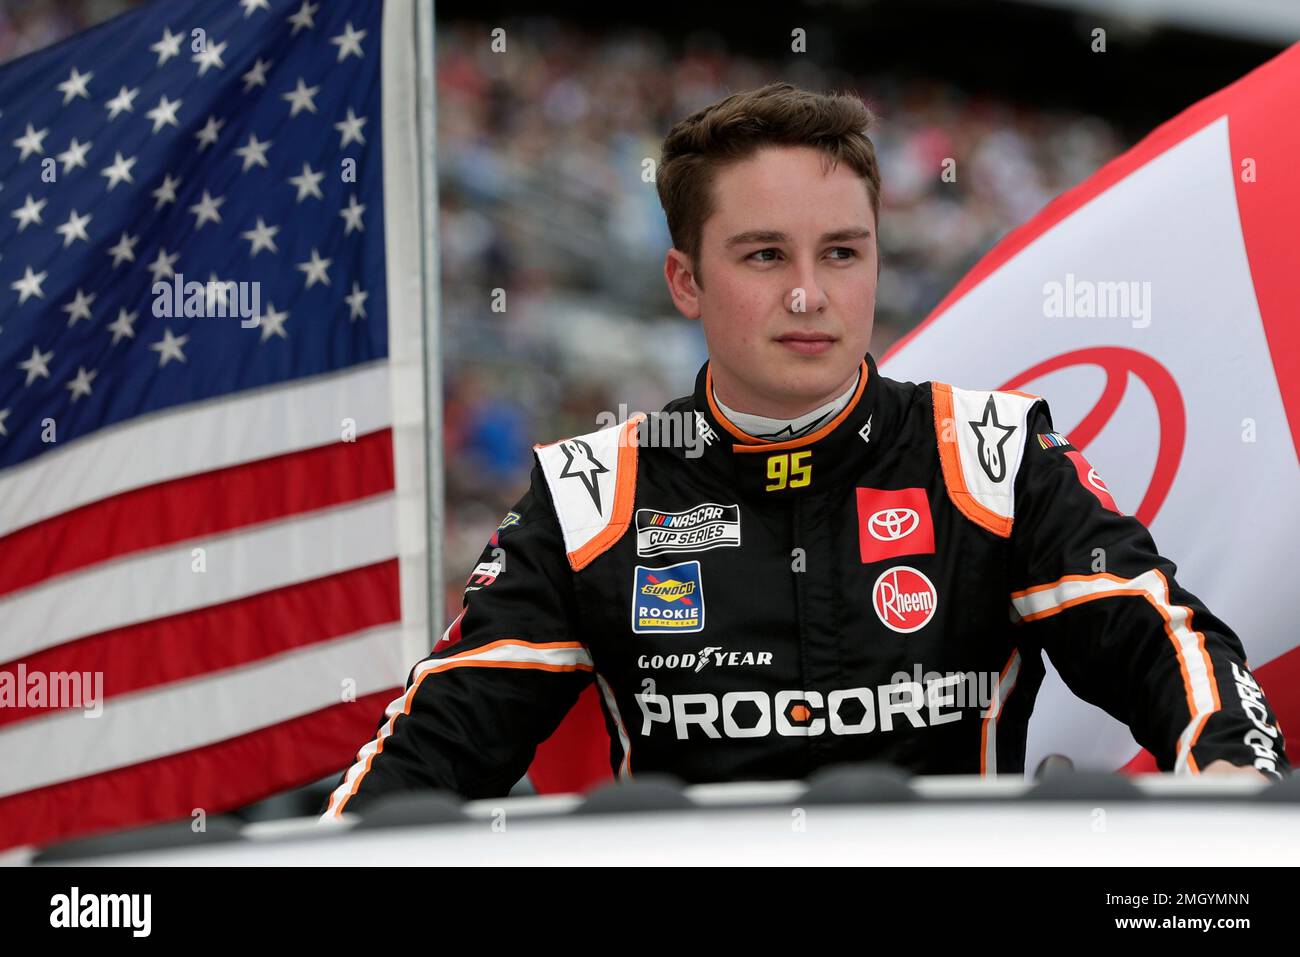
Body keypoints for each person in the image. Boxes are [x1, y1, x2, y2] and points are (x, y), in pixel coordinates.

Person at [321, 83, 1288, 818]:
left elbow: (1164, 641)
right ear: (684, 280)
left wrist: (1237, 779)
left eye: (841, 252)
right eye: (763, 254)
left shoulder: (989, 453)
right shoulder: (592, 491)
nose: (807, 295)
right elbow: (435, 742)